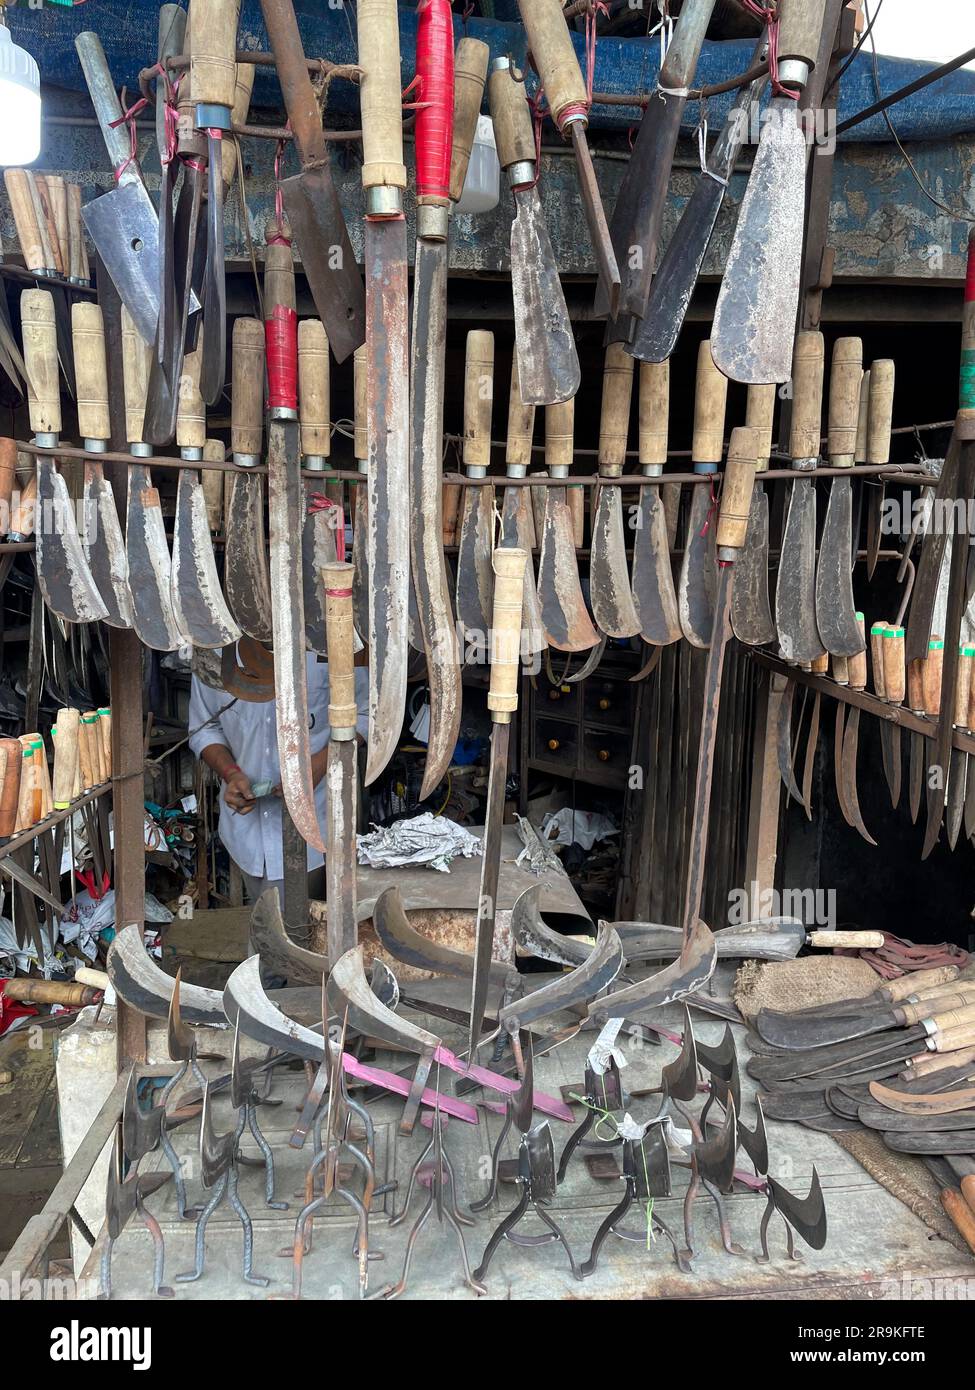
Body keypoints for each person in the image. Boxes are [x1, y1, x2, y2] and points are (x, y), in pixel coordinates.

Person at [188, 654, 369, 905]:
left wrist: (321, 764)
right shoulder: (215, 653)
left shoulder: (328, 643)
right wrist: (230, 772)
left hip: (316, 829)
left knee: (304, 926)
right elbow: (204, 727)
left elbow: (366, 713)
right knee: (267, 922)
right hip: (245, 833)